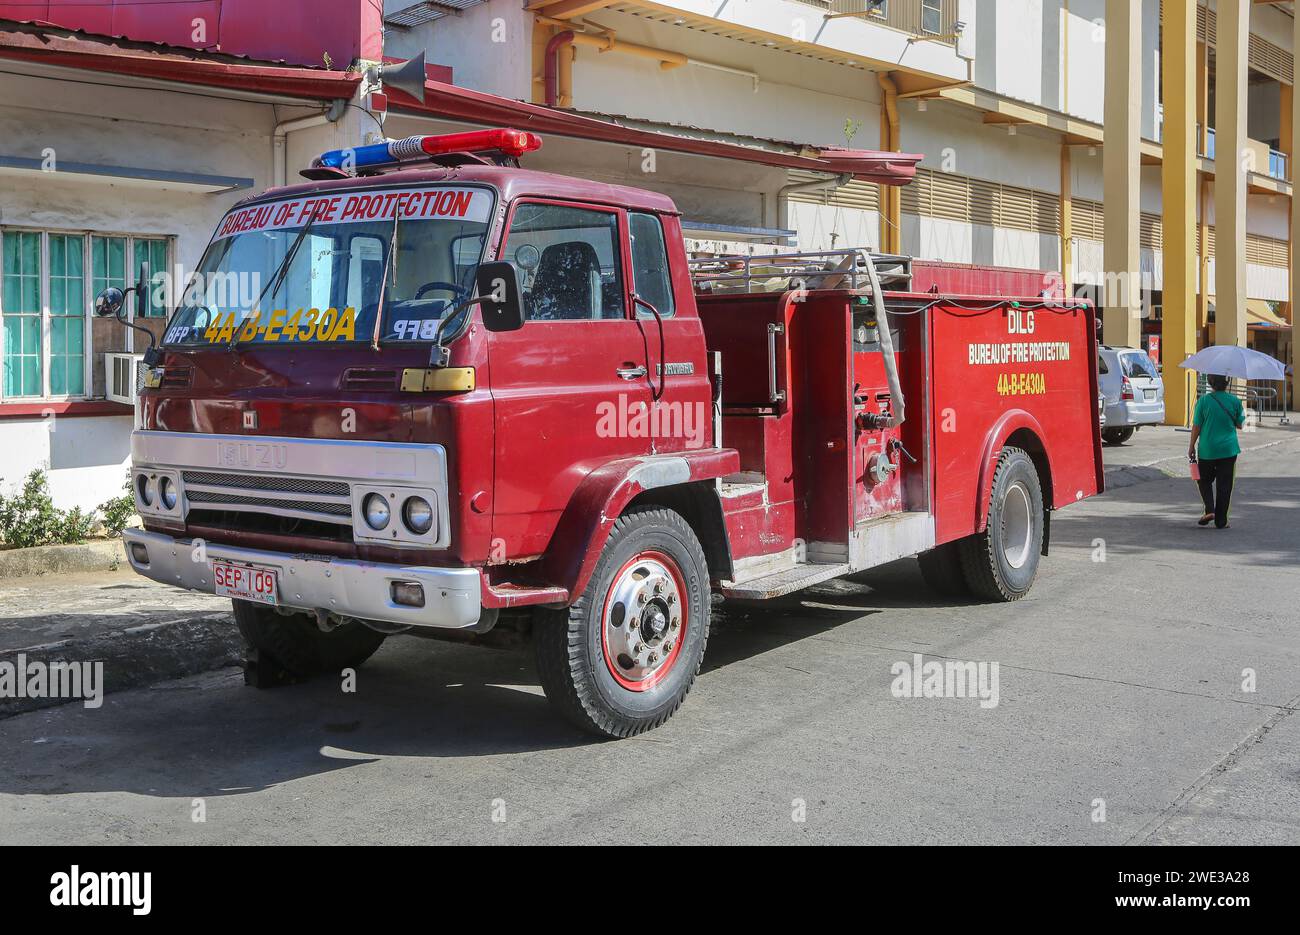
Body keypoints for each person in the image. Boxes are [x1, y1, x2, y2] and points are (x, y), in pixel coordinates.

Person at [1188, 374, 1246, 528]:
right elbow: (1241, 425)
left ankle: (1209, 509)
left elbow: (1197, 426)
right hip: (1228, 449)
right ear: (1227, 383)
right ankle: (1221, 521)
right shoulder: (1235, 401)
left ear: (1210, 383)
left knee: (1203, 480)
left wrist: (1191, 445)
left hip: (1207, 450)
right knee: (1225, 485)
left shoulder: (1203, 401)